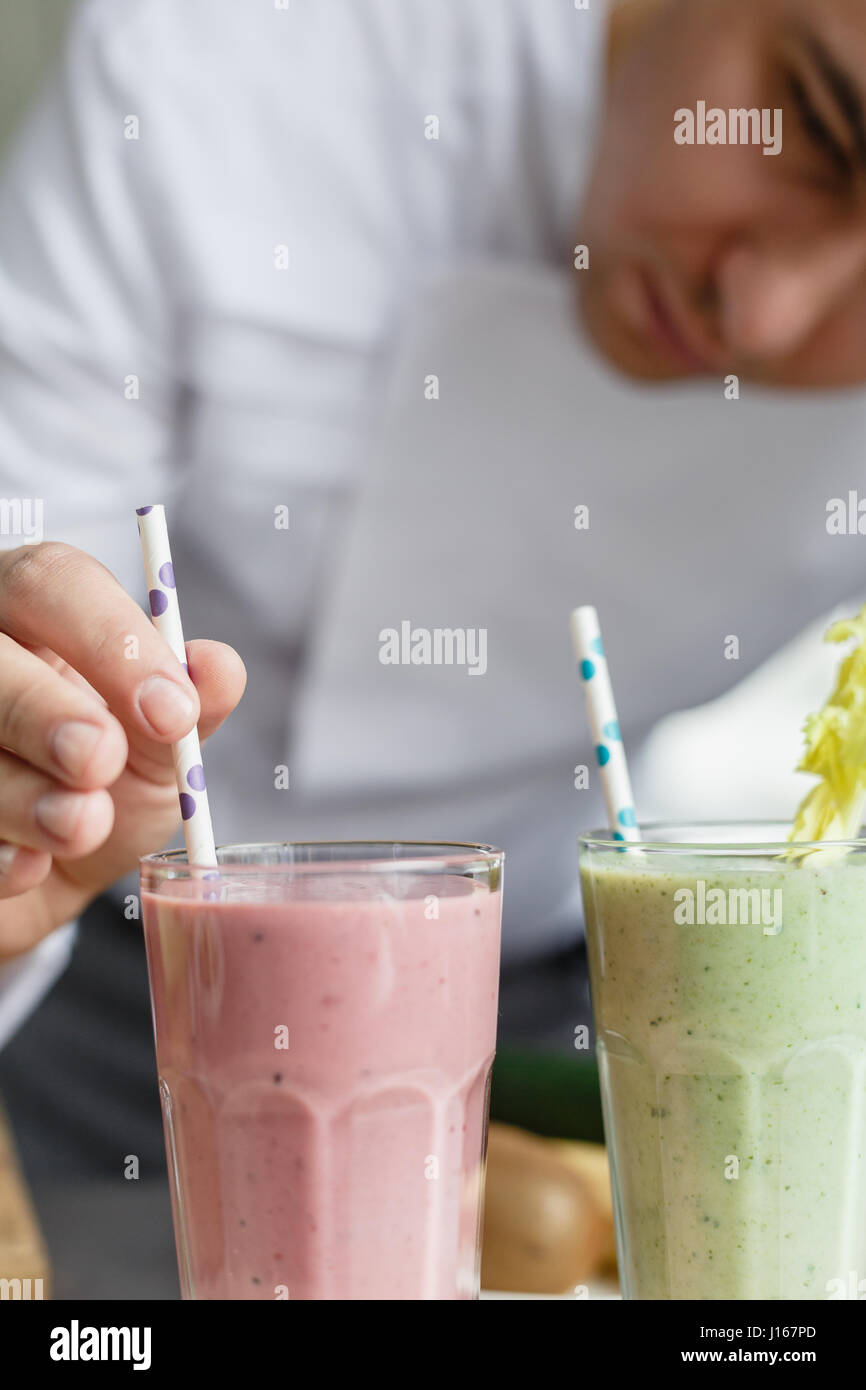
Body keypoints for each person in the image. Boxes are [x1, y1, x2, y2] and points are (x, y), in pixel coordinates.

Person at [1, 0, 866, 1177]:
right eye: (811, 121)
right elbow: (30, 589)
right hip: (115, 957)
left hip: (548, 992)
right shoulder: (215, 58)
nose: (763, 311)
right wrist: (37, 785)